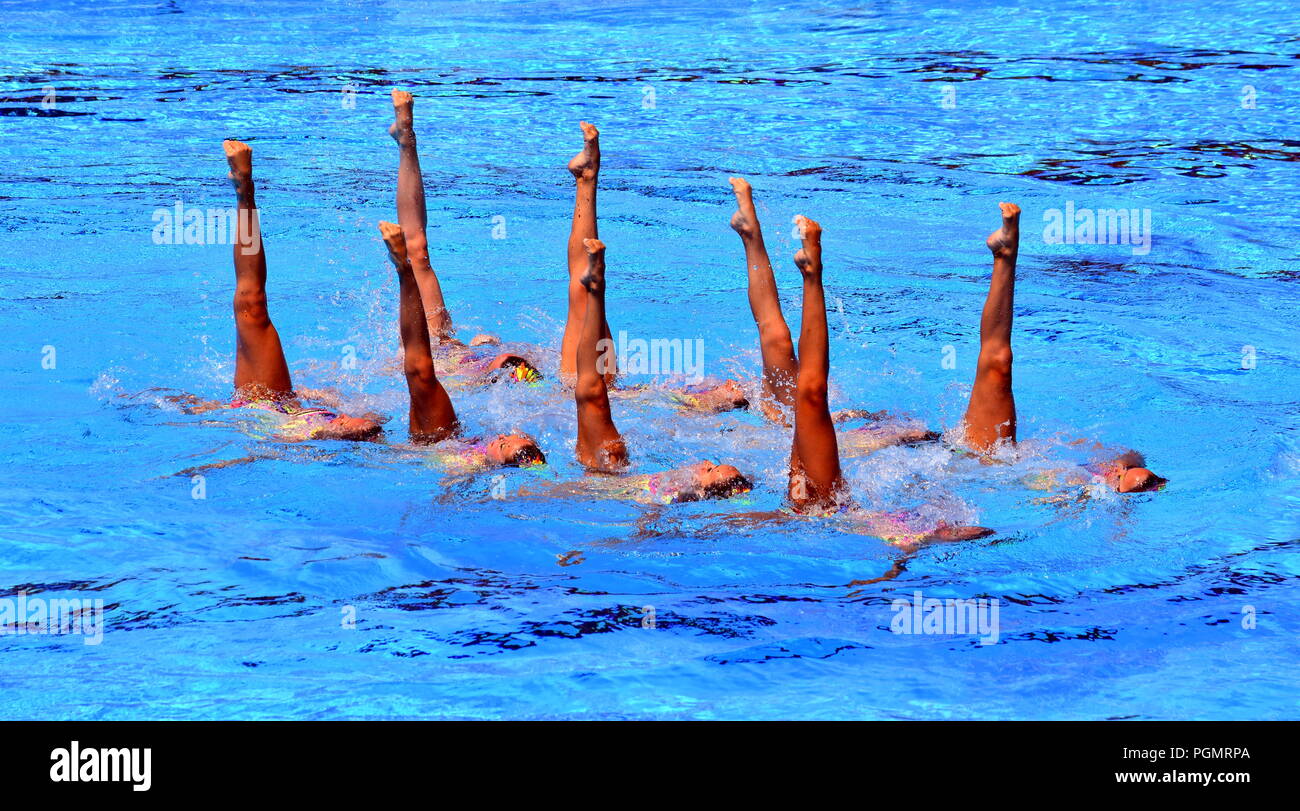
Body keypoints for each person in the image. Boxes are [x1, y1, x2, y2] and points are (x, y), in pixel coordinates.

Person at [777, 213, 993, 545]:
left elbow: (899, 562)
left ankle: (812, 274)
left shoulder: (912, 540)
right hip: (825, 509)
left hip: (823, 510)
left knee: (810, 392)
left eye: (957, 531)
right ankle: (810, 274)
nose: (960, 526)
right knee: (809, 393)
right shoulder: (921, 532)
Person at [961, 203, 1166, 493]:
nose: (1116, 473)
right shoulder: (1097, 471)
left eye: (1120, 478)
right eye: (1120, 472)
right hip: (987, 456)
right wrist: (1125, 462)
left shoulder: (1080, 496)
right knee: (999, 362)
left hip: (970, 465)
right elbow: (1131, 454)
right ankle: (1005, 254)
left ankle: (1005, 254)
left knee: (998, 362)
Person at [188, 139, 383, 442]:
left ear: (336, 432)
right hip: (278, 398)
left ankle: (244, 191)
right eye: (346, 417)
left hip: (257, 406)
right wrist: (322, 396)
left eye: (343, 421)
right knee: (253, 304)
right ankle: (244, 192)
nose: (343, 417)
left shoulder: (302, 441)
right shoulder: (328, 426)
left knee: (251, 304)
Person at [726, 177, 937, 454]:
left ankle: (751, 235)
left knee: (778, 341)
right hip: (794, 424)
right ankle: (753, 235)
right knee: (781, 344)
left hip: (783, 427)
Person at [558, 122, 748, 413]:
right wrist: (714, 398)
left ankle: (586, 179)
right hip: (607, 395)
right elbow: (661, 401)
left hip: (585, 397)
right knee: (584, 293)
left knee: (583, 292)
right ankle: (586, 179)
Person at [570, 228, 750, 501]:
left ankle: (596, 289)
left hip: (604, 471)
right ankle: (596, 291)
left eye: (710, 469)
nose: (704, 462)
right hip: (610, 465)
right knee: (593, 387)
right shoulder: (672, 490)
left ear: (702, 489)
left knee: (593, 387)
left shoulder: (673, 494)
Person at [389, 90, 542, 386]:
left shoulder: (468, 384)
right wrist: (486, 346)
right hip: (445, 343)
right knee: (418, 251)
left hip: (426, 350)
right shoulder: (503, 361)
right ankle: (407, 139)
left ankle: (406, 141)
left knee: (412, 257)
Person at [378, 221, 545, 468]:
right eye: (507, 438)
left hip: (433, 440)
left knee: (420, 372)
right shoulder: (495, 446)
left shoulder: (469, 463)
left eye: (502, 444)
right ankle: (405, 265)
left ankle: (404, 269)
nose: (500, 437)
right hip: (446, 429)